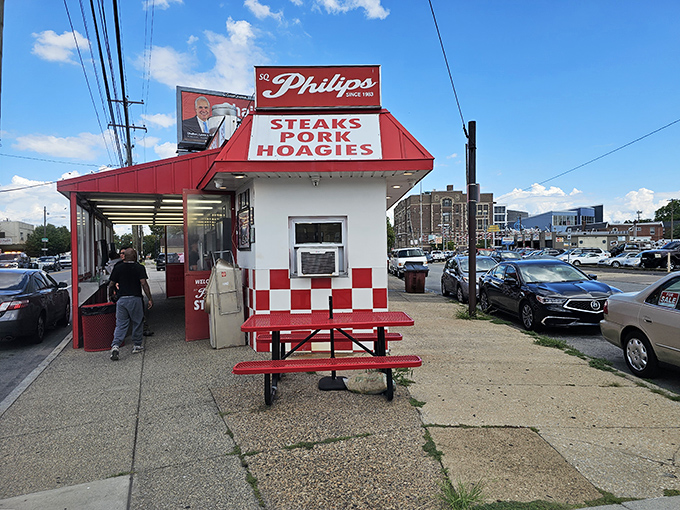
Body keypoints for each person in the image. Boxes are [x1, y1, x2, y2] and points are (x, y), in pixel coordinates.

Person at [108, 248, 153, 361]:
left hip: (122, 300)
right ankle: (137, 345)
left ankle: (115, 346)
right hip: (135, 299)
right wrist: (150, 298)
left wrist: (111, 296)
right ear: (134, 257)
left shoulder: (118, 268)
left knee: (121, 324)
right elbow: (144, 284)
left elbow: (111, 284)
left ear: (125, 256)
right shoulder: (139, 268)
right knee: (137, 322)